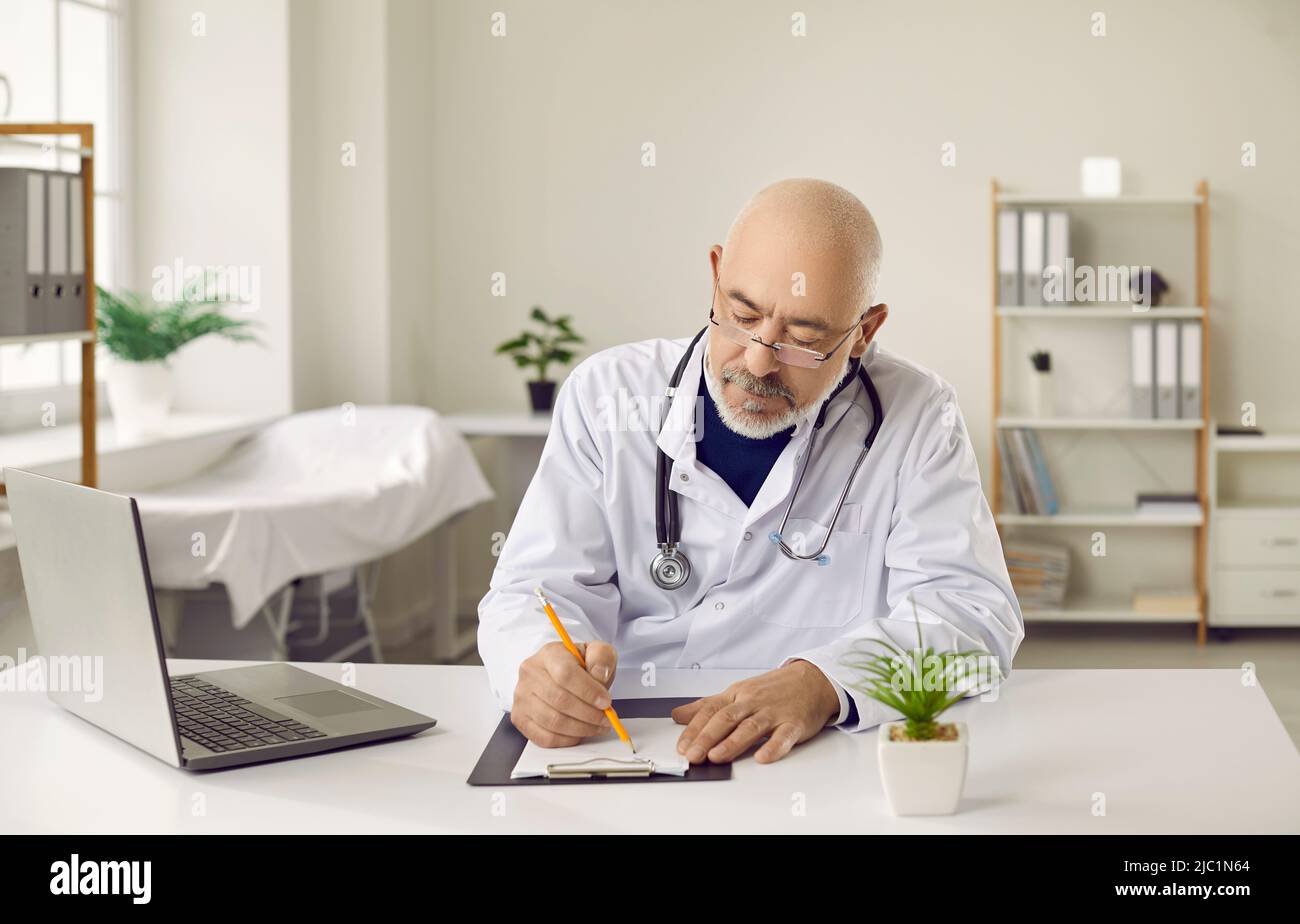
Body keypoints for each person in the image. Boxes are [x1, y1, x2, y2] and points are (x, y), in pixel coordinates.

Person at [477, 177, 1024, 765]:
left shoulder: (918, 414)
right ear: (715, 276)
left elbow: (974, 615)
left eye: (804, 337)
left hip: (817, 753)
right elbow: (532, 590)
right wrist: (535, 665)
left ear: (864, 331)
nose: (759, 360)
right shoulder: (606, 393)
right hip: (632, 741)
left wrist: (825, 682)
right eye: (742, 315)